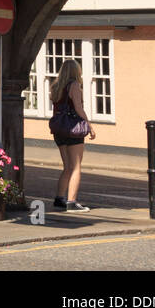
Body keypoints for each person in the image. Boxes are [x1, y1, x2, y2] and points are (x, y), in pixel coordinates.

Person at [50, 59, 95, 212]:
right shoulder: (74, 85)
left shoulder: (56, 86)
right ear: (76, 71)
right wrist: (89, 125)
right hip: (73, 128)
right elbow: (78, 107)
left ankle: (59, 198)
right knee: (76, 167)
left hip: (59, 129)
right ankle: (72, 202)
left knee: (67, 167)